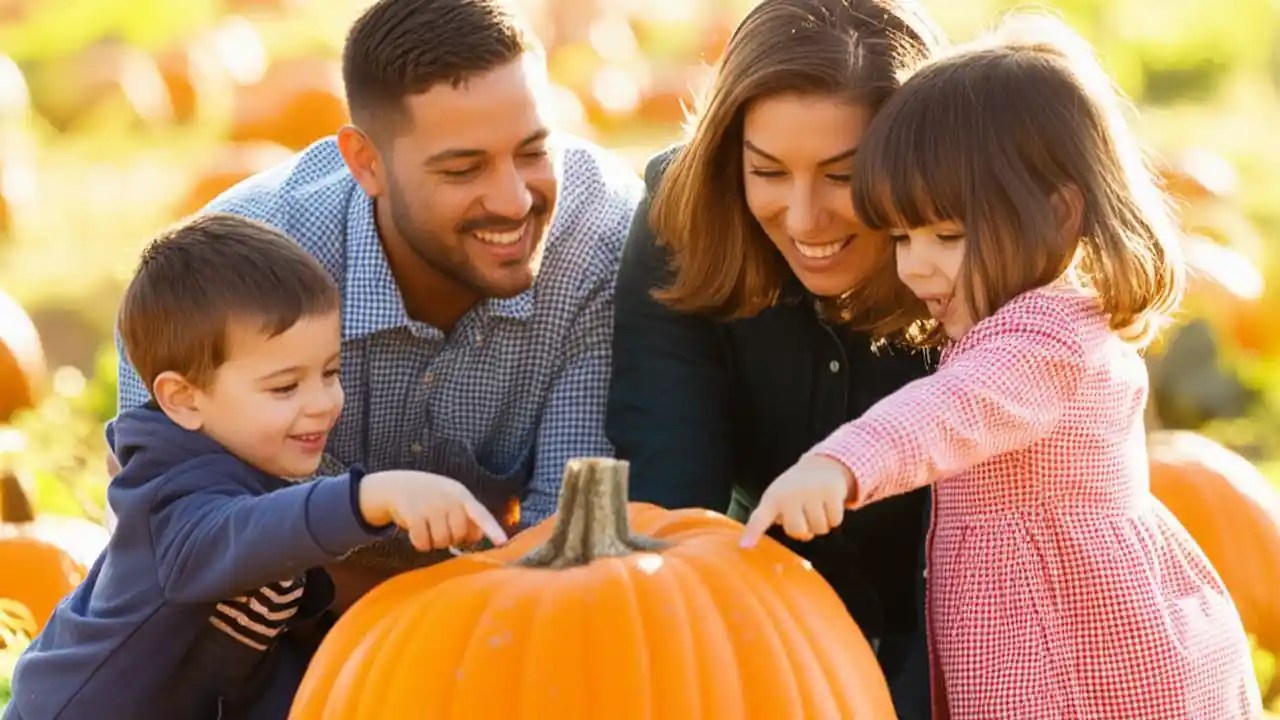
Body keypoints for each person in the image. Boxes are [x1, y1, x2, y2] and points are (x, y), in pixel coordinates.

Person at [740, 15, 1263, 719]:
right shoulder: (1006, 326)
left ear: (1057, 215)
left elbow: (954, 408)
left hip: (1082, 669)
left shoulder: (1046, 340)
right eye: (901, 234)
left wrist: (842, 463)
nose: (915, 262)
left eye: (947, 235)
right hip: (1040, 650)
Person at [110, 0, 643, 608]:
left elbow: (565, 545)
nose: (515, 199)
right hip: (268, 618)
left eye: (532, 151)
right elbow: (175, 538)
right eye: (464, 169)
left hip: (493, 618)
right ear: (367, 163)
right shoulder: (217, 285)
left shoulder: (600, 243)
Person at [6, 214, 511, 720]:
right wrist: (366, 496)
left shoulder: (257, 475)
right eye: (285, 387)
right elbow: (243, 535)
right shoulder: (169, 503)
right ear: (184, 399)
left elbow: (260, 660)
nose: (323, 403)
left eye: (330, 372)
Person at [605, 1, 945, 716]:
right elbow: (673, 508)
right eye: (767, 171)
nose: (802, 218)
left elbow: (965, 556)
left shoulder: (973, 242)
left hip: (977, 616)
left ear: (914, 160)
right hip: (779, 620)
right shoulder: (683, 220)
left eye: (843, 176)